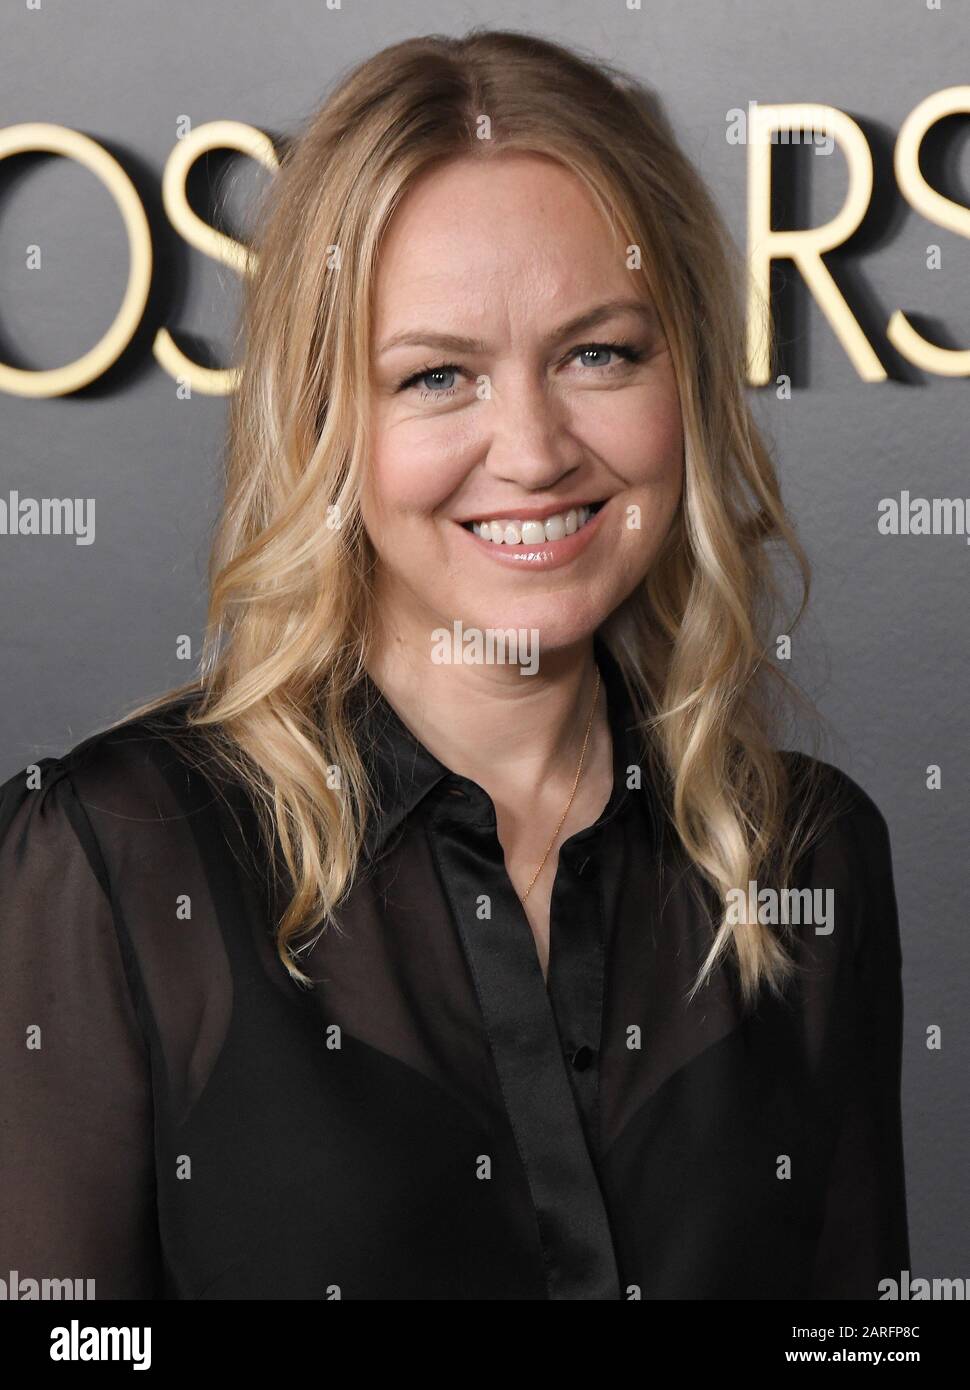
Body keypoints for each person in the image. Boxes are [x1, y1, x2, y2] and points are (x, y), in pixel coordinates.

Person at [0, 28, 908, 1300]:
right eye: (437, 376)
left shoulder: (808, 854)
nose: (533, 449)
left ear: (687, 377)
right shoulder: (113, 855)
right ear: (327, 422)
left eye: (600, 352)